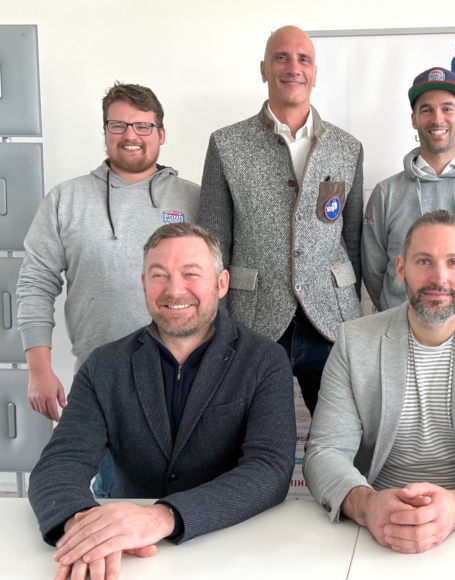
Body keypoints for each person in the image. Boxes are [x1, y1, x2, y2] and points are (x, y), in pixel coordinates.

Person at [28, 223, 296, 580]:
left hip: (232, 550)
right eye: (159, 275)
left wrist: (162, 516)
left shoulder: (264, 360)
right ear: (143, 284)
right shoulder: (104, 365)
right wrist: (82, 531)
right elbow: (60, 463)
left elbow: (270, 470)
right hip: (131, 560)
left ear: (221, 283)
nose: (174, 289)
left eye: (191, 274)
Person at [304, 210, 455, 554]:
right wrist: (366, 504)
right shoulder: (354, 341)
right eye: (424, 261)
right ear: (400, 270)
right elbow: (325, 451)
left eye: (453, 262)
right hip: (375, 530)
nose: (439, 277)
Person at [17, 82, 201, 498]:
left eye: (142, 126)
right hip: (103, 386)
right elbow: (34, 285)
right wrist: (39, 370)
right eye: (119, 125)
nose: (131, 135)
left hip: (186, 383)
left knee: (192, 504)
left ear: (161, 133)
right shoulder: (67, 200)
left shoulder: (195, 198)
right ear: (104, 132)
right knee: (115, 499)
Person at [199, 25, 364, 416]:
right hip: (252, 320)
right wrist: (216, 326)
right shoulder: (226, 144)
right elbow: (212, 241)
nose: (294, 67)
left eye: (303, 59)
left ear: (315, 73)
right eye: (281, 57)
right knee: (250, 440)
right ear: (263, 69)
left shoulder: (347, 147)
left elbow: (353, 239)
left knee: (342, 439)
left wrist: (352, 313)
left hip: (329, 320)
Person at [362, 66, 455, 313]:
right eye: (426, 110)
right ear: (414, 120)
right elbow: (374, 272)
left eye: (447, 109)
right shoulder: (386, 193)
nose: (437, 119)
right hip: (398, 329)